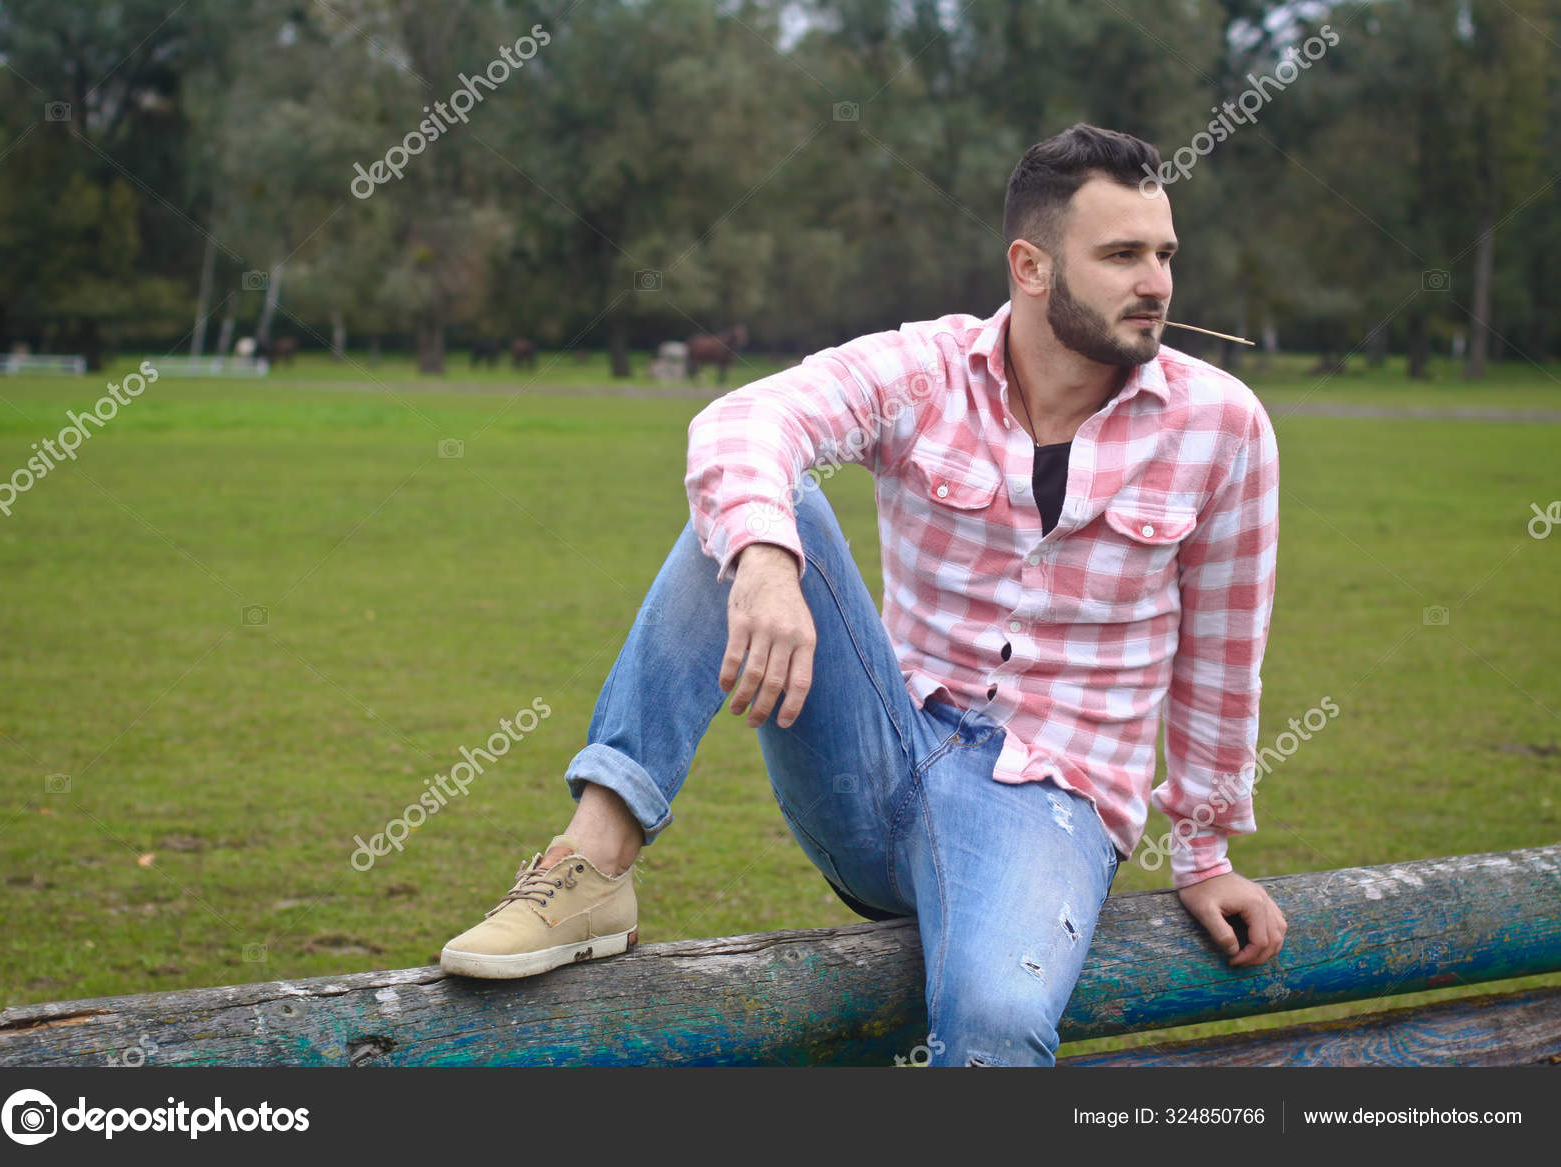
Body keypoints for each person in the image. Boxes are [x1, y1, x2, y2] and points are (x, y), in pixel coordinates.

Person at [438, 122, 1287, 1066]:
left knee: (999, 1018)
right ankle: (592, 863)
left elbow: (1222, 659)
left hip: (1052, 804)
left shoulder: (1225, 427)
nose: (1157, 282)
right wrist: (764, 562)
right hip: (875, 764)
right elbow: (747, 418)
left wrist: (1204, 853)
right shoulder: (928, 368)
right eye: (1123, 254)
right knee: (765, 505)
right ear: (1031, 266)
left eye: (1164, 253)